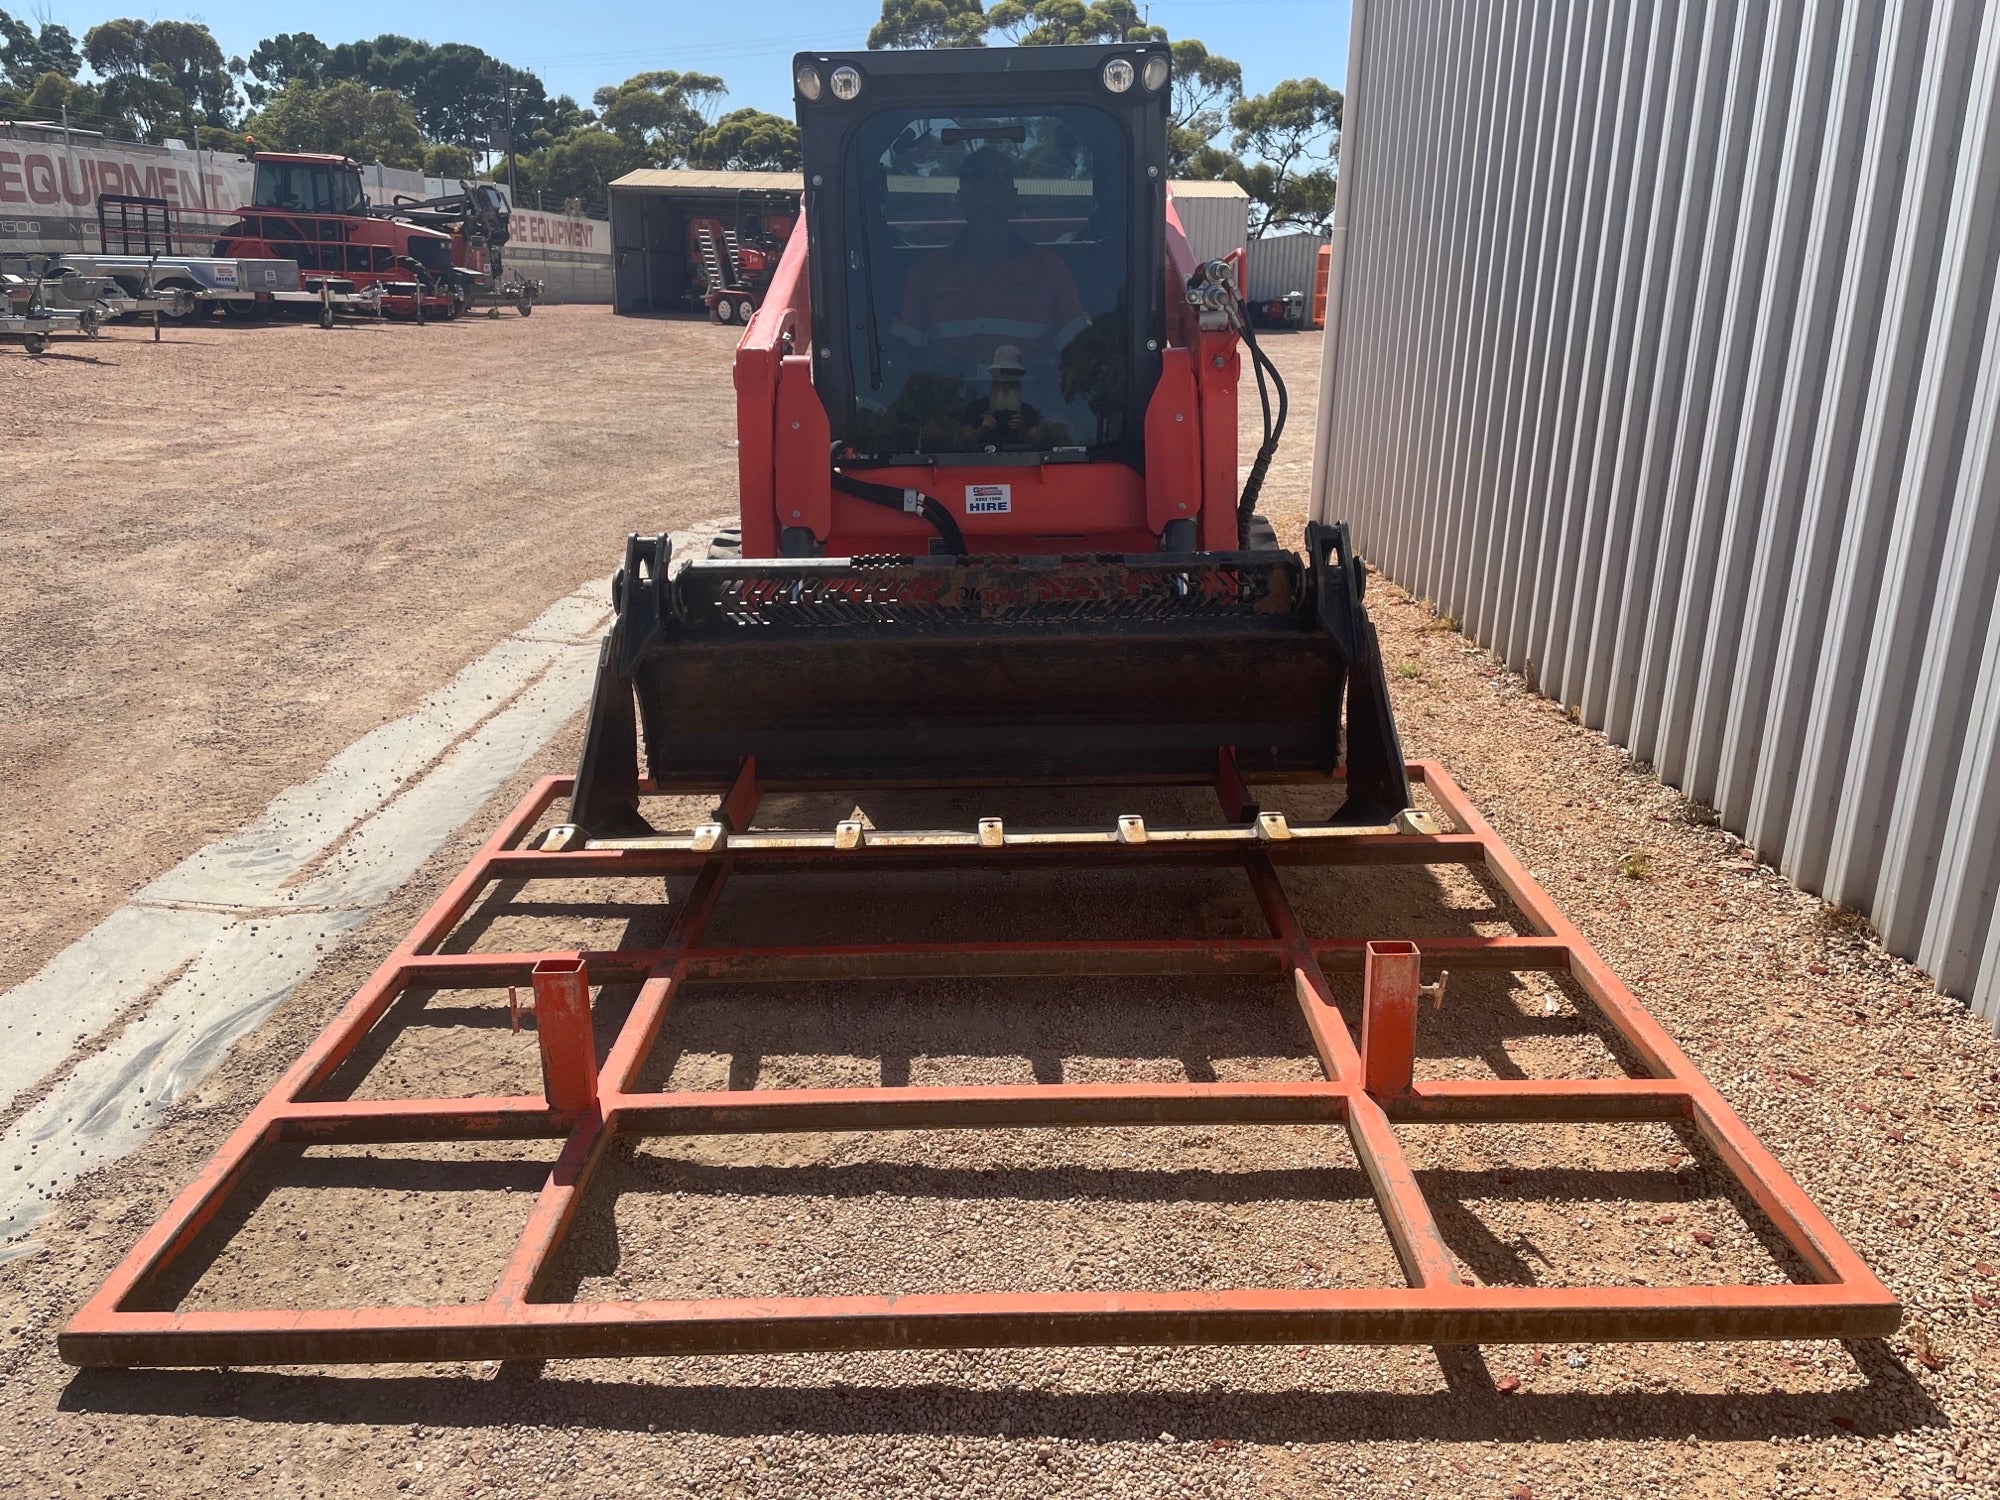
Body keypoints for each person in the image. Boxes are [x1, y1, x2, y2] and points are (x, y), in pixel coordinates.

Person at [891, 147, 1090, 380]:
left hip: (1034, 410)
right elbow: (905, 361)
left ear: (1013, 196)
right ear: (960, 198)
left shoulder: (1050, 269)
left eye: (995, 190)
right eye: (976, 192)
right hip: (947, 410)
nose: (986, 200)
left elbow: (1081, 355)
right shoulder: (925, 273)